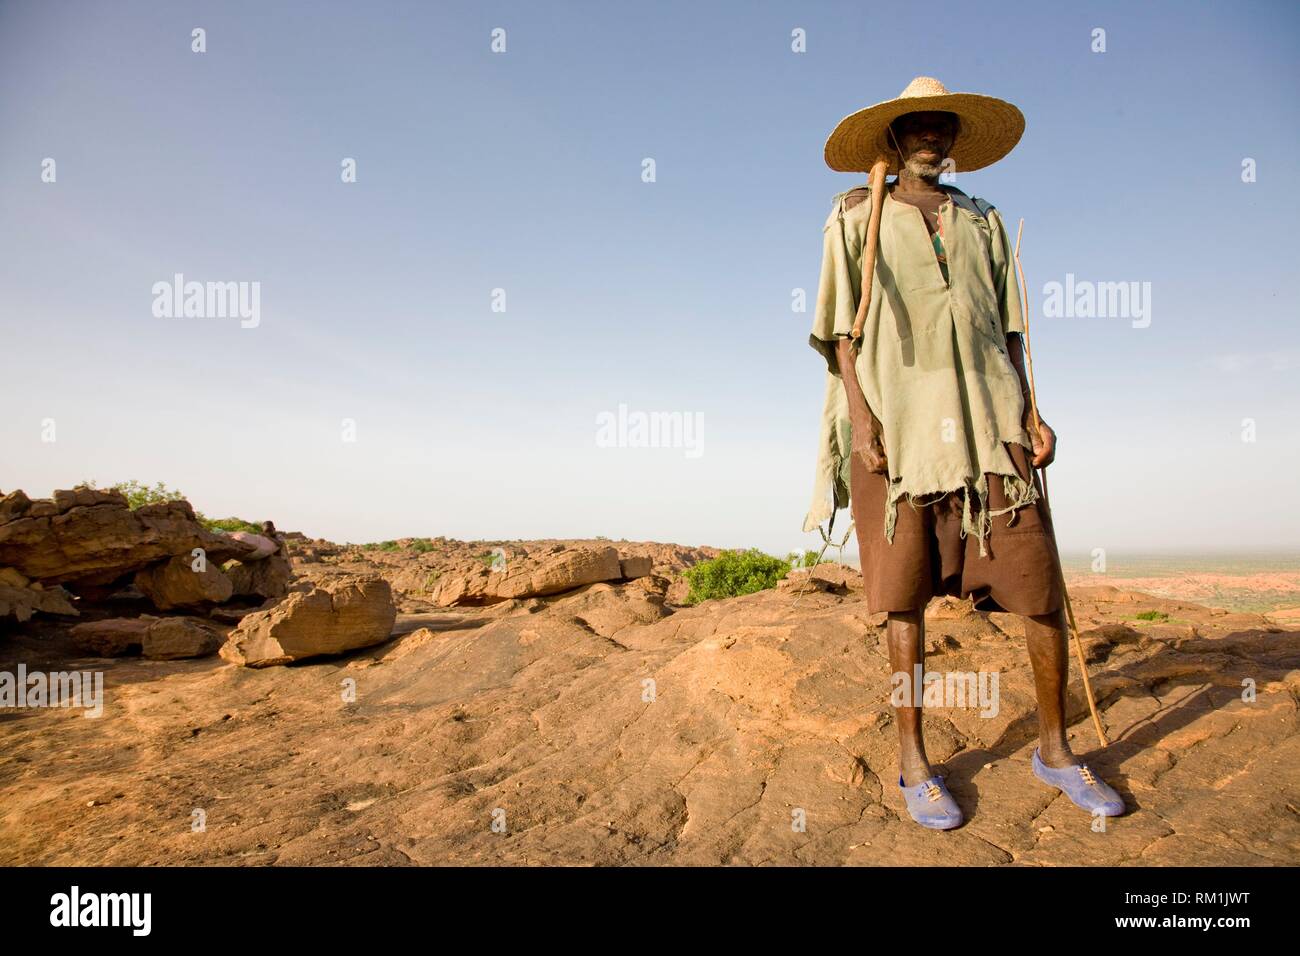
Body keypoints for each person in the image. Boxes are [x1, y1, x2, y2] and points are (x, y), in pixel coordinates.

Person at [806, 76, 1124, 829]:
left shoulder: (983, 223)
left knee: (1038, 588)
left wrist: (1035, 411)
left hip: (992, 422)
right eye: (916, 126)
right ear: (893, 139)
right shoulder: (857, 217)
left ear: (955, 139)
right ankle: (913, 762)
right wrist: (864, 420)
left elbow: (1010, 333)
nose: (931, 138)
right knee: (904, 597)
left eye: (942, 127)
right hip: (901, 427)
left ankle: (1054, 747)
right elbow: (842, 335)